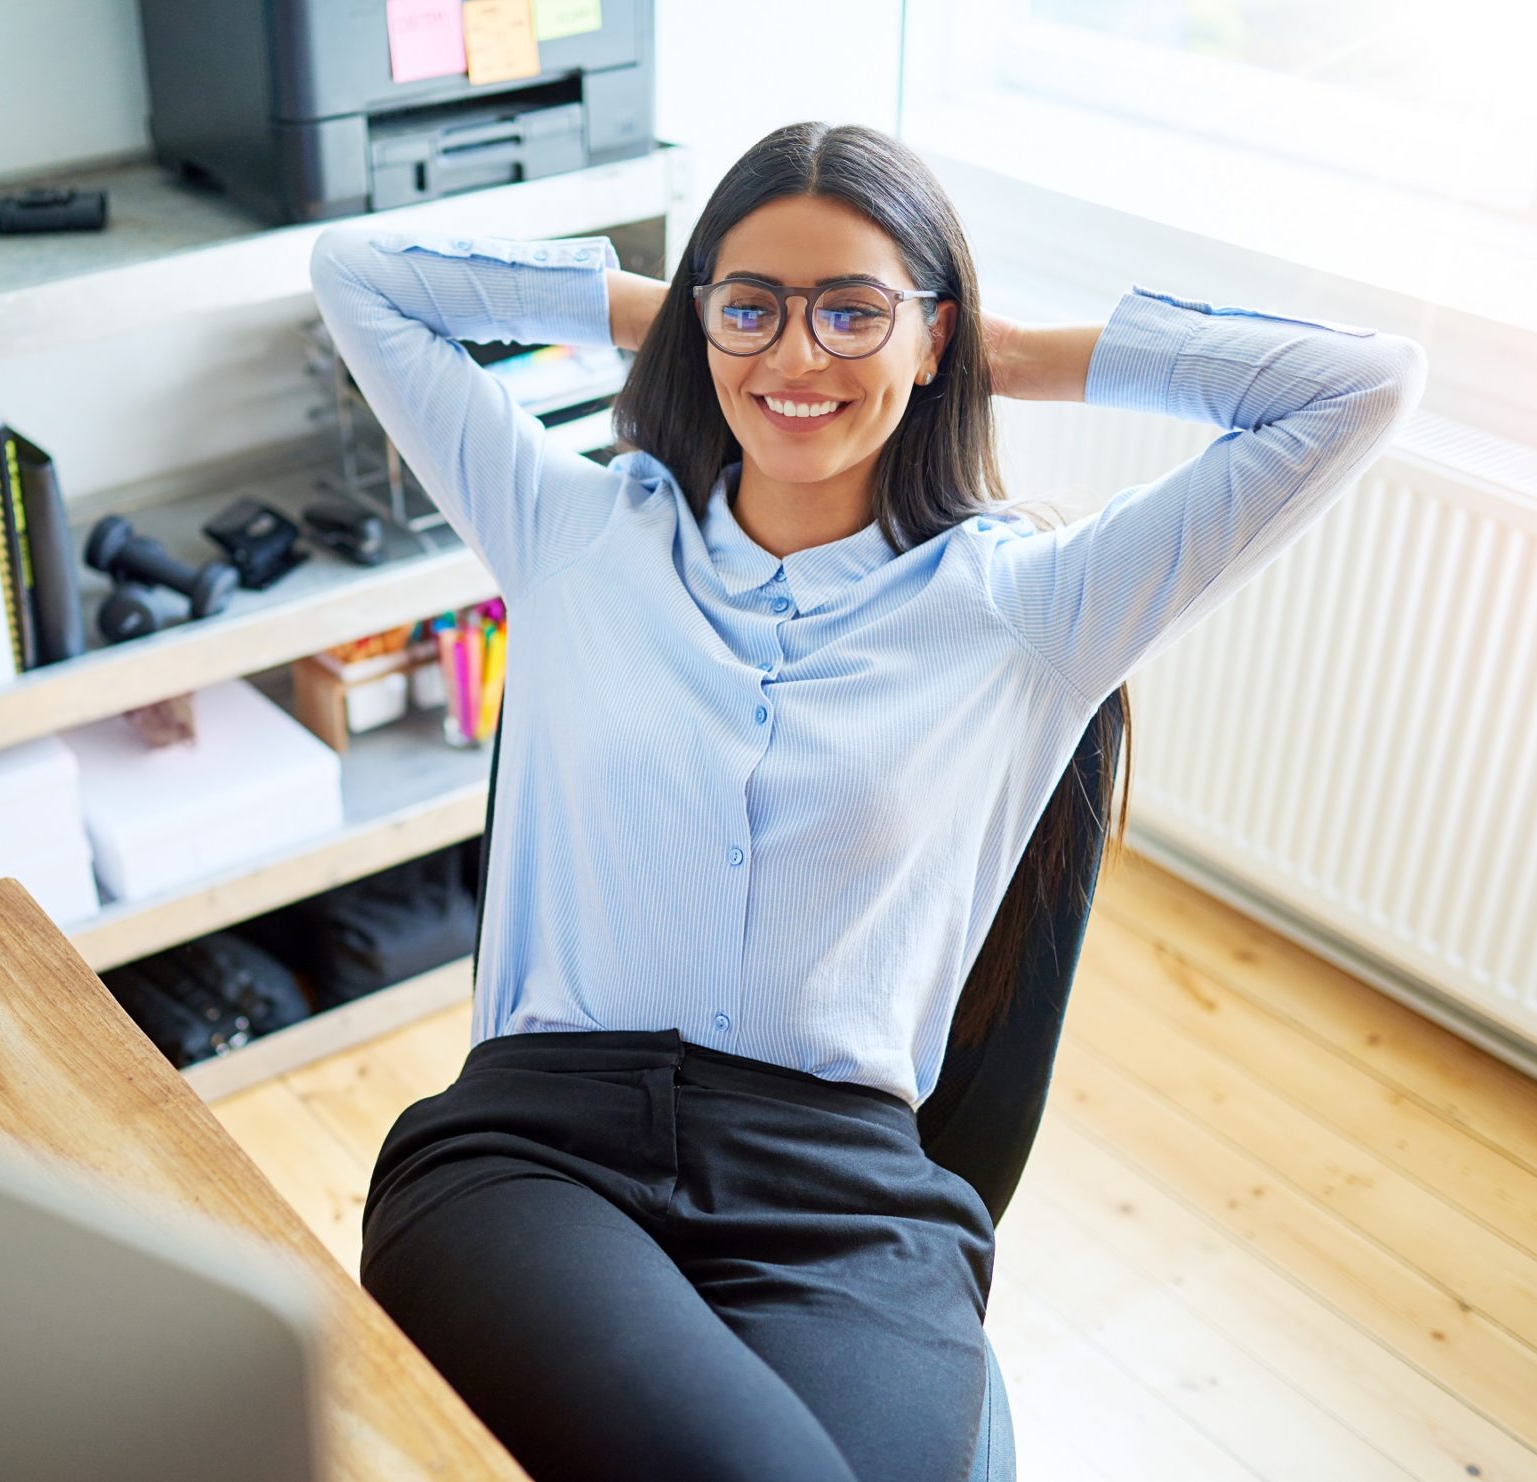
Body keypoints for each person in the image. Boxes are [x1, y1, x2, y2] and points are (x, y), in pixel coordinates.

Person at [308, 121, 1427, 1482]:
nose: (795, 359)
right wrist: (684, 322)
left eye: (852, 310)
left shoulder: (1032, 608)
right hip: (537, 1155)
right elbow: (357, 269)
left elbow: (1360, 385)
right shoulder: (572, 533)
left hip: (842, 1202)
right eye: (755, 308)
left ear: (936, 333)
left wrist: (1000, 354)